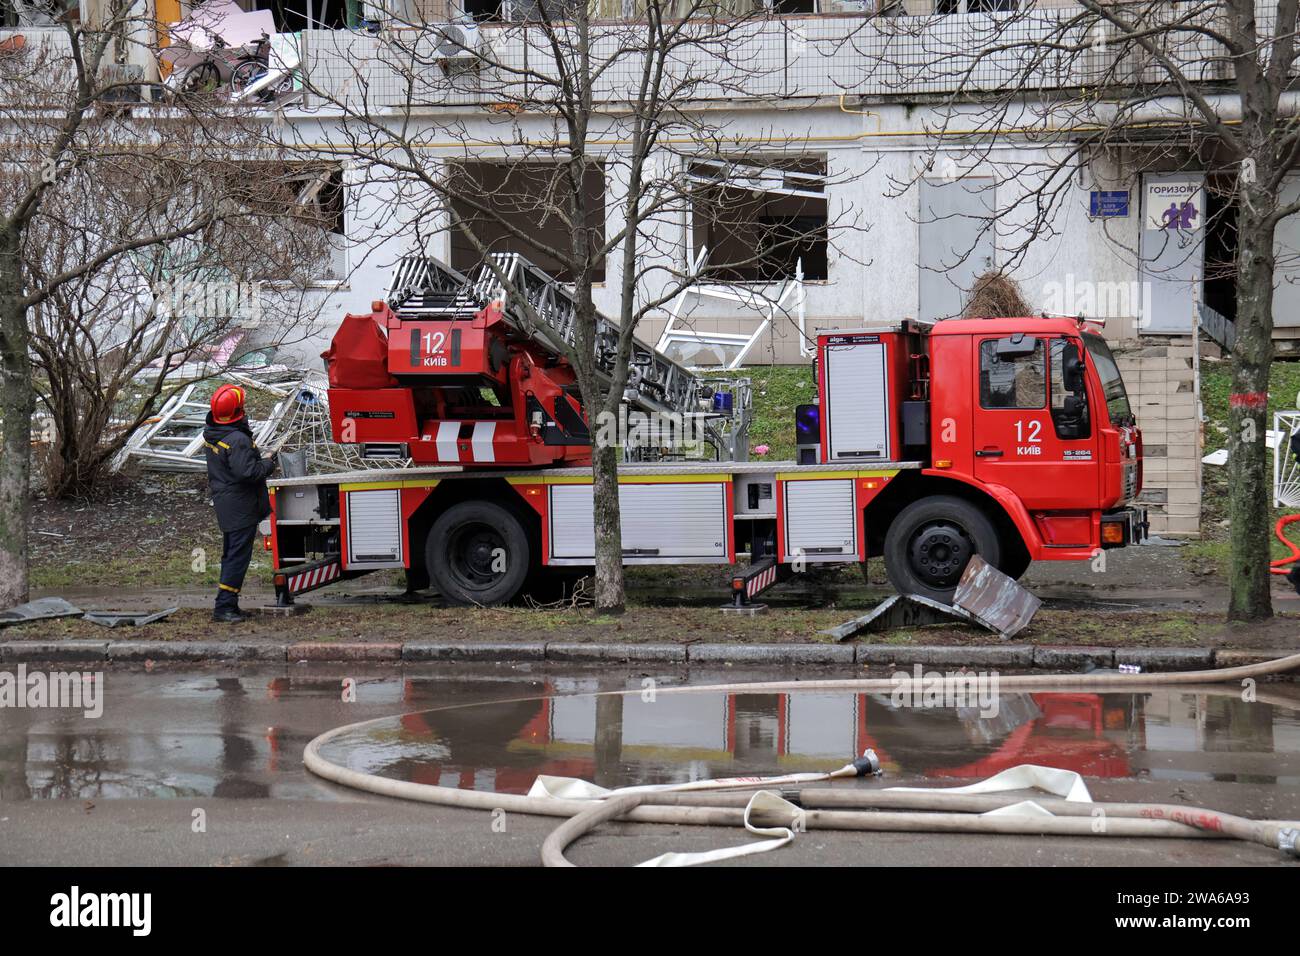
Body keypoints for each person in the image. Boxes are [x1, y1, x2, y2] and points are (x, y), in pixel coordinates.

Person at [203, 384, 278, 623]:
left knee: (231, 554)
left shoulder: (214, 433)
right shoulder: (236, 439)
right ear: (238, 410)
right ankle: (224, 607)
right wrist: (268, 463)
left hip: (228, 504)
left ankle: (228, 604)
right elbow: (248, 472)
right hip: (241, 506)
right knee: (237, 556)